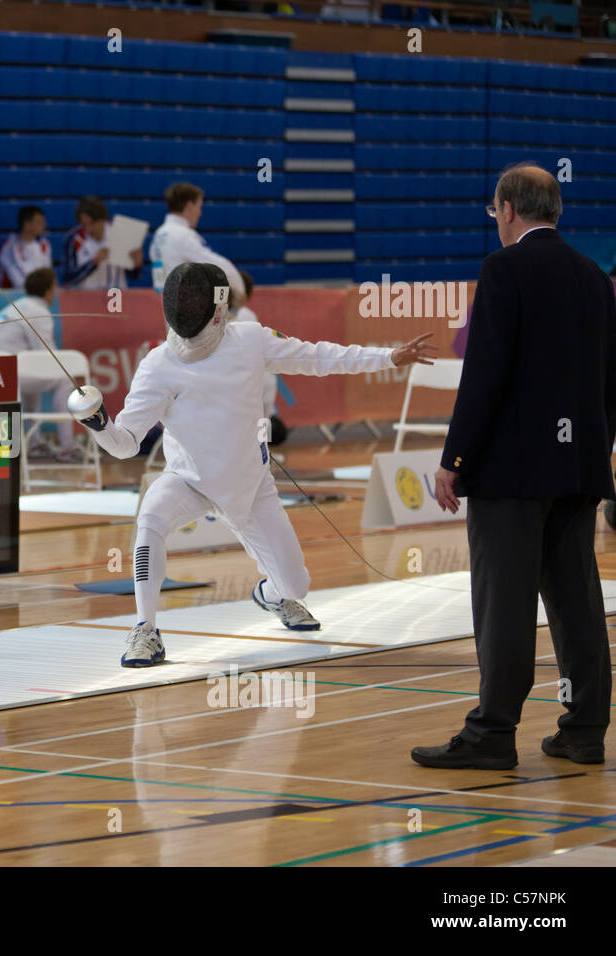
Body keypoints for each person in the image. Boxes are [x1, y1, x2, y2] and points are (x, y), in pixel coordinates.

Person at [69, 262, 435, 666]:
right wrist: (99, 423)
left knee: (297, 584)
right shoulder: (158, 367)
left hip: (251, 486)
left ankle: (272, 595)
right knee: (151, 514)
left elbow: (317, 358)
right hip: (189, 482)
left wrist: (388, 357)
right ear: (217, 311)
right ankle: (145, 628)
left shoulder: (251, 340)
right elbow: (124, 444)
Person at [415, 163, 616, 769]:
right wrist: (597, 452)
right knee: (578, 602)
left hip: (513, 472)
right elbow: (610, 380)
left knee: (504, 604)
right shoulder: (594, 277)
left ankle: (492, 734)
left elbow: (485, 376)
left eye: (493, 212)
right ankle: (584, 731)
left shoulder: (504, 268)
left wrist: (455, 459)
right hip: (578, 467)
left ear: (506, 209)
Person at [0, 267, 80, 460]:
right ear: (49, 290)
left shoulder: (16, 306)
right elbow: (48, 356)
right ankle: (68, 447)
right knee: (66, 380)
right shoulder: (38, 311)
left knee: (33, 380)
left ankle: (35, 444)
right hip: (3, 375)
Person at [148, 182, 243, 298]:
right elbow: (220, 268)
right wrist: (241, 292)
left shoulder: (159, 234)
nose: (200, 213)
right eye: (199, 207)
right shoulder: (182, 235)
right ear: (189, 206)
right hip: (189, 309)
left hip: (170, 308)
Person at [230, 269, 285, 445]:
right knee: (259, 422)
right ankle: (262, 454)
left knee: (257, 425)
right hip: (252, 380)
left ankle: (262, 454)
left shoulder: (243, 314)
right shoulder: (239, 314)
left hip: (252, 379)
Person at [60, 195, 143, 290]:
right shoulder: (73, 239)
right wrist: (93, 263)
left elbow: (134, 276)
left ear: (102, 218)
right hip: (86, 299)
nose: (88, 229)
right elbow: (68, 278)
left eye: (92, 223)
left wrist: (136, 264)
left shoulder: (119, 233)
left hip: (116, 298)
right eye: (84, 224)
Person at [0, 205, 51, 289]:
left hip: (38, 293)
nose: (44, 225)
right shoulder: (10, 247)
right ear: (27, 225)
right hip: (13, 296)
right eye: (39, 222)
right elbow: (17, 282)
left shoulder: (44, 244)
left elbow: (48, 274)